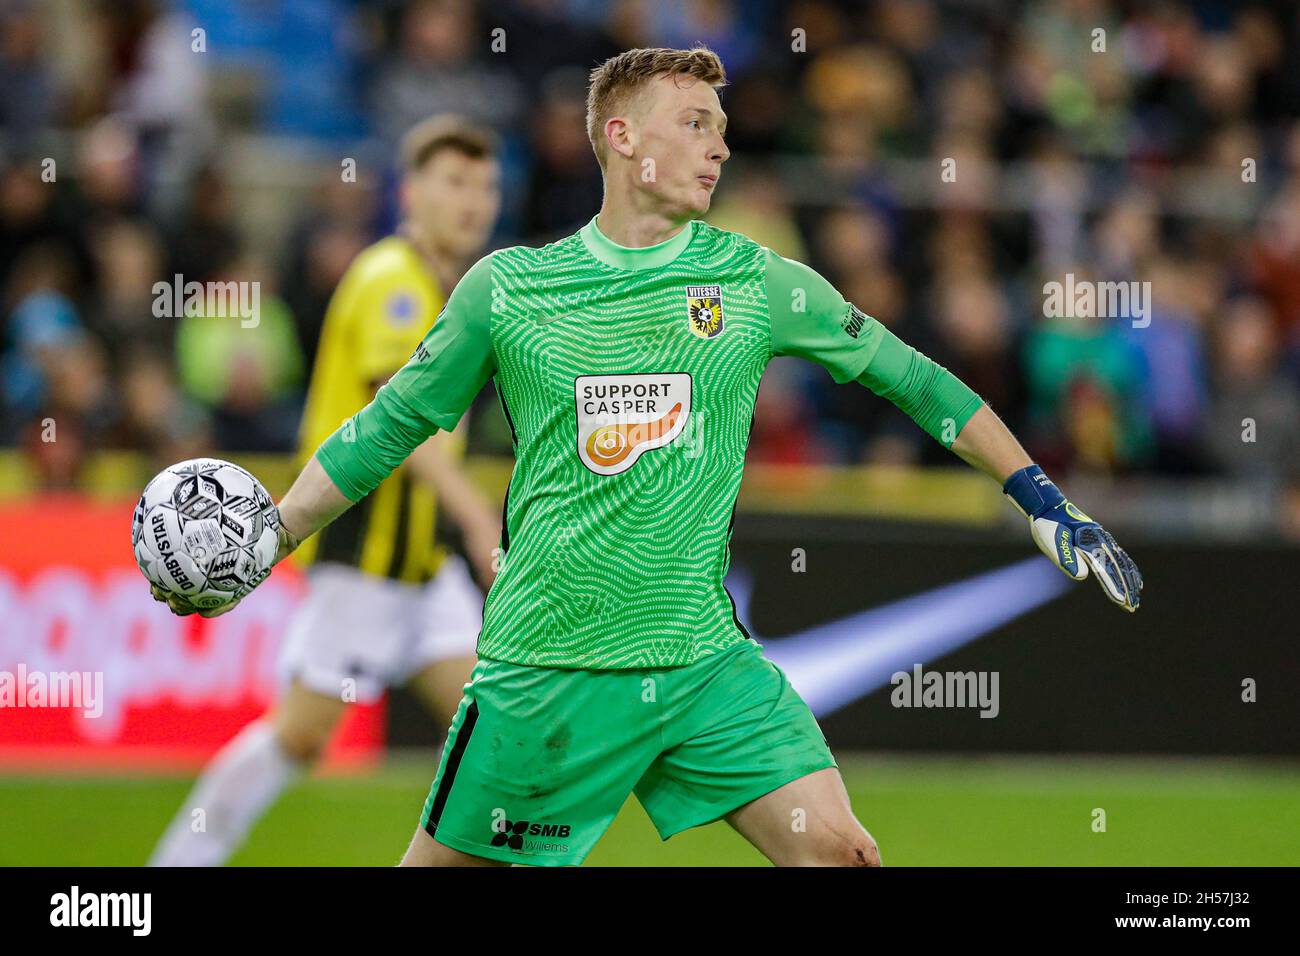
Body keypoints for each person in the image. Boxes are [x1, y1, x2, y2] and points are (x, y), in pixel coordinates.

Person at [157, 48, 1141, 867]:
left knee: (840, 853)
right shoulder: (510, 290)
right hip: (549, 669)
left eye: (720, 125)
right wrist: (274, 532)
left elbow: (916, 380)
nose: (717, 144)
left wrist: (1038, 493)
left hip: (705, 666)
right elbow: (387, 427)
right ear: (621, 139)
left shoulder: (757, 280)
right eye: (692, 122)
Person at [149, 116, 503, 866]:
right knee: (303, 734)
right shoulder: (394, 282)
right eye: (455, 181)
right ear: (410, 193)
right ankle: (178, 864)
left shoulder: (457, 288)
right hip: (364, 555)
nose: (474, 200)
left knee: (498, 732)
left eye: (486, 184)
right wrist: (479, 520)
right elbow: (405, 425)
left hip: (422, 567)